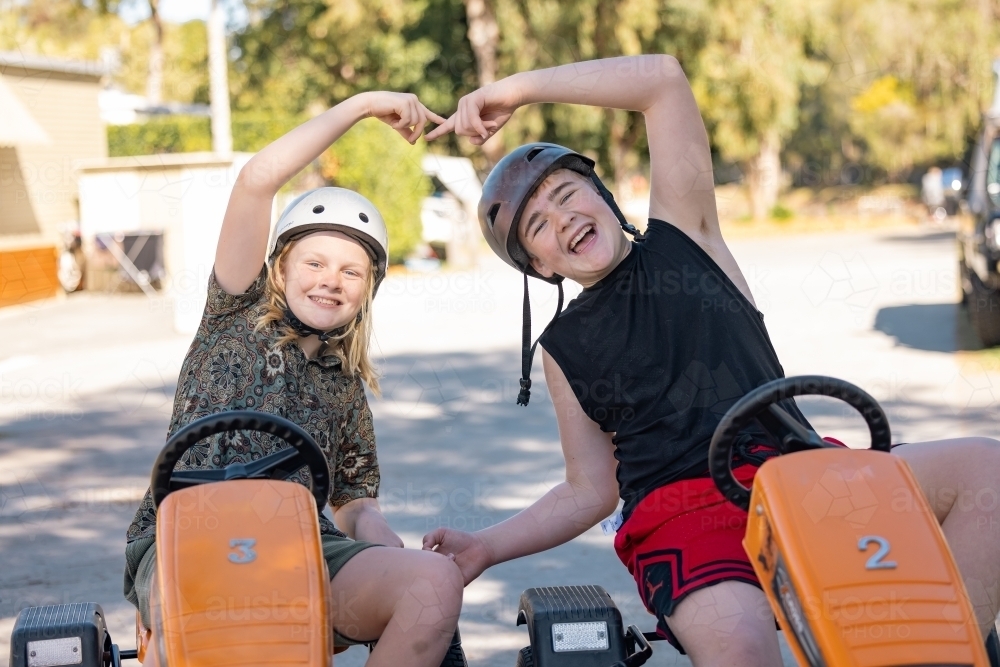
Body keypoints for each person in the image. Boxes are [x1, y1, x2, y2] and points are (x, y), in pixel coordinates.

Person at [422, 55, 1000, 666]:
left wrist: (518, 89)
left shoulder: (689, 237)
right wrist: (485, 544)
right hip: (682, 515)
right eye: (537, 225)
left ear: (602, 193)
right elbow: (588, 490)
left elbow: (663, 81)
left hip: (796, 470)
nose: (562, 218)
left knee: (986, 472)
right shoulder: (564, 350)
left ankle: (937, 652)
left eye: (568, 194)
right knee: (742, 647)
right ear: (537, 265)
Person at [123, 91, 465, 667]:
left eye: (351, 271)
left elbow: (354, 501)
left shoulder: (347, 388)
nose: (331, 280)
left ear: (367, 290)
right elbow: (256, 179)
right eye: (315, 262)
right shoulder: (234, 310)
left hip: (301, 549)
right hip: (189, 530)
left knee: (432, 585)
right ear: (279, 268)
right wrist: (361, 107)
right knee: (199, 623)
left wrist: (383, 538)